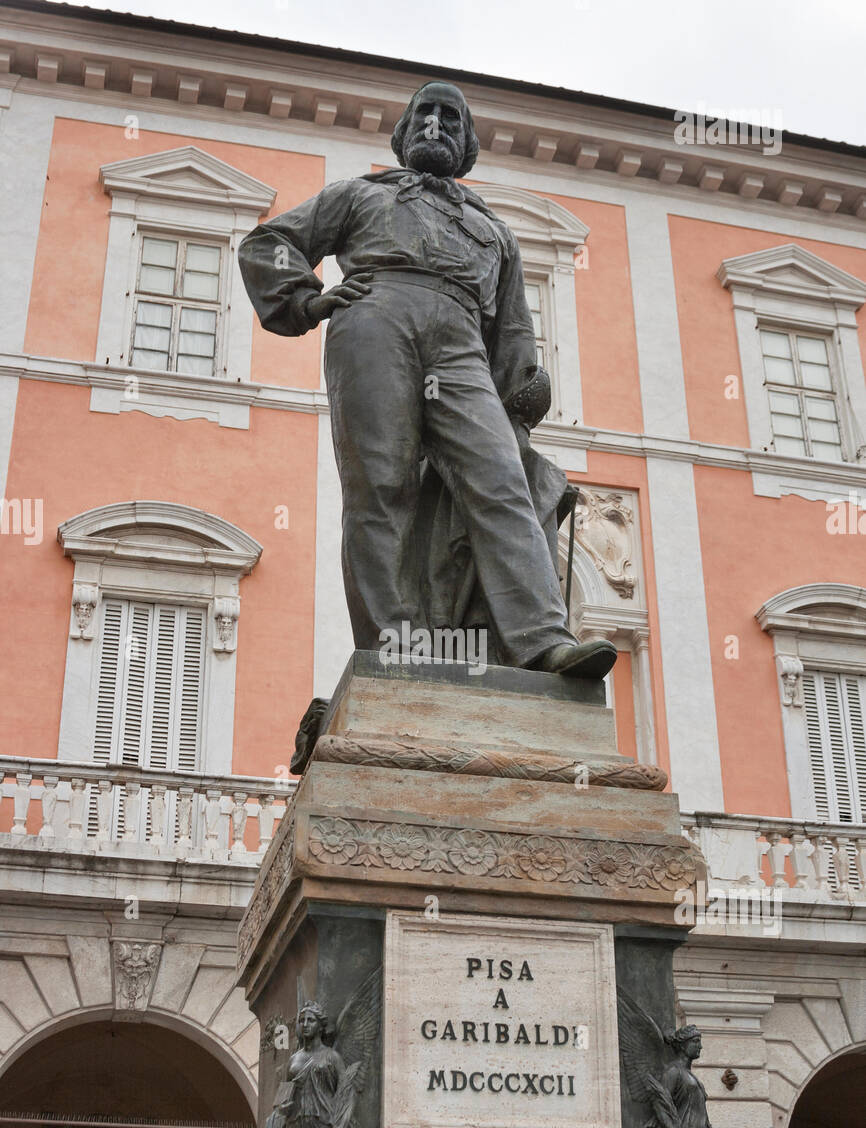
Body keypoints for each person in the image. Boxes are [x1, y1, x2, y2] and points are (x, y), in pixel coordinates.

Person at [239, 81, 616, 680]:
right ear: (404, 133)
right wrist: (308, 302)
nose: (435, 123)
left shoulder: (497, 234)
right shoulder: (358, 195)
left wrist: (521, 393)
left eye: (450, 115)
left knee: (501, 478)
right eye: (424, 112)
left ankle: (542, 638)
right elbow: (270, 241)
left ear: (466, 141)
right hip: (374, 320)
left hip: (461, 341)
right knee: (379, 488)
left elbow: (513, 327)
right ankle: (400, 648)